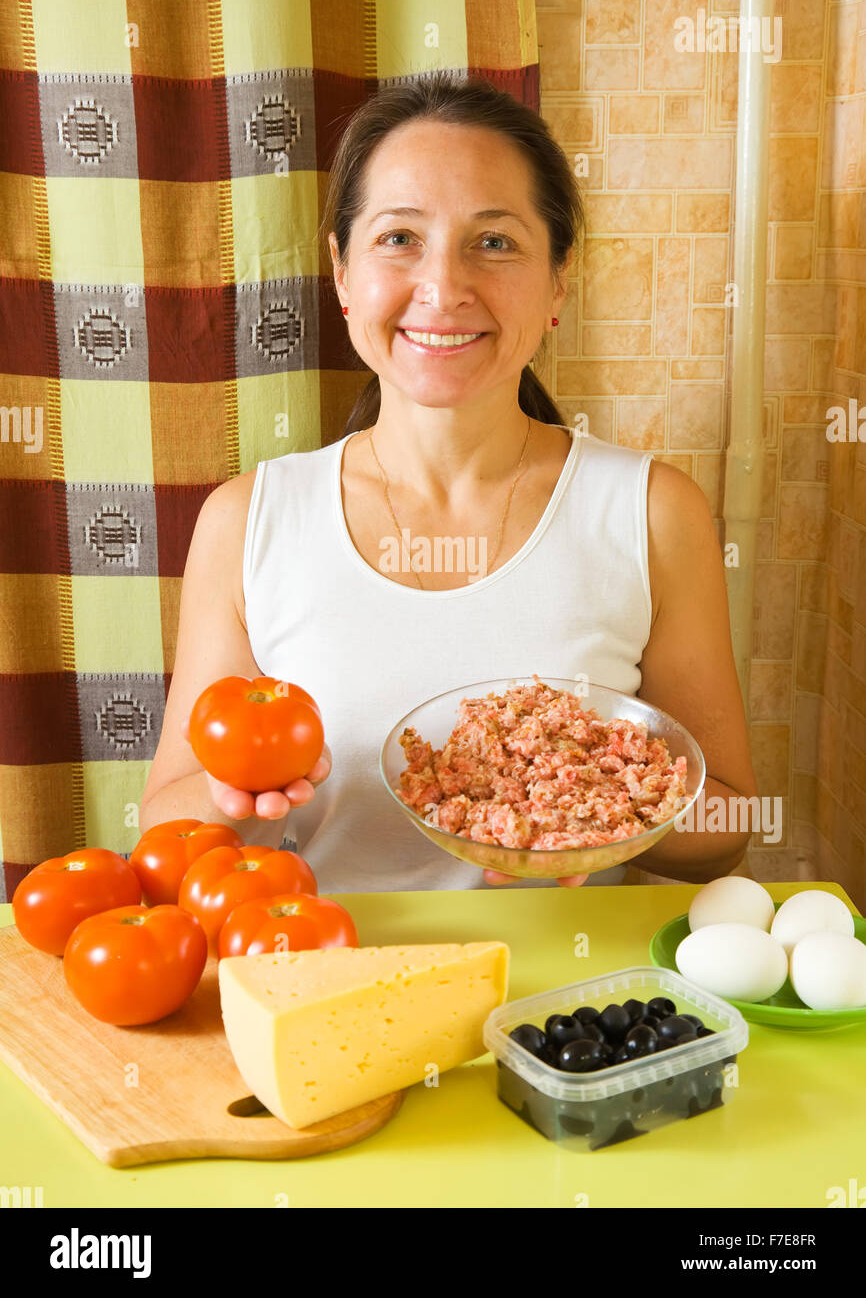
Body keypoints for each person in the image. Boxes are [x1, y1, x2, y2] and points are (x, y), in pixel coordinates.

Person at [139, 73, 759, 894]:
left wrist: (597, 818)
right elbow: (164, 823)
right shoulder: (251, 519)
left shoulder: (650, 511)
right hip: (322, 977)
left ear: (559, 282)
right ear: (342, 273)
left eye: (494, 242)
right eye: (399, 238)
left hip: (561, 1004)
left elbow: (728, 827)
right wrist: (232, 801)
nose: (442, 288)